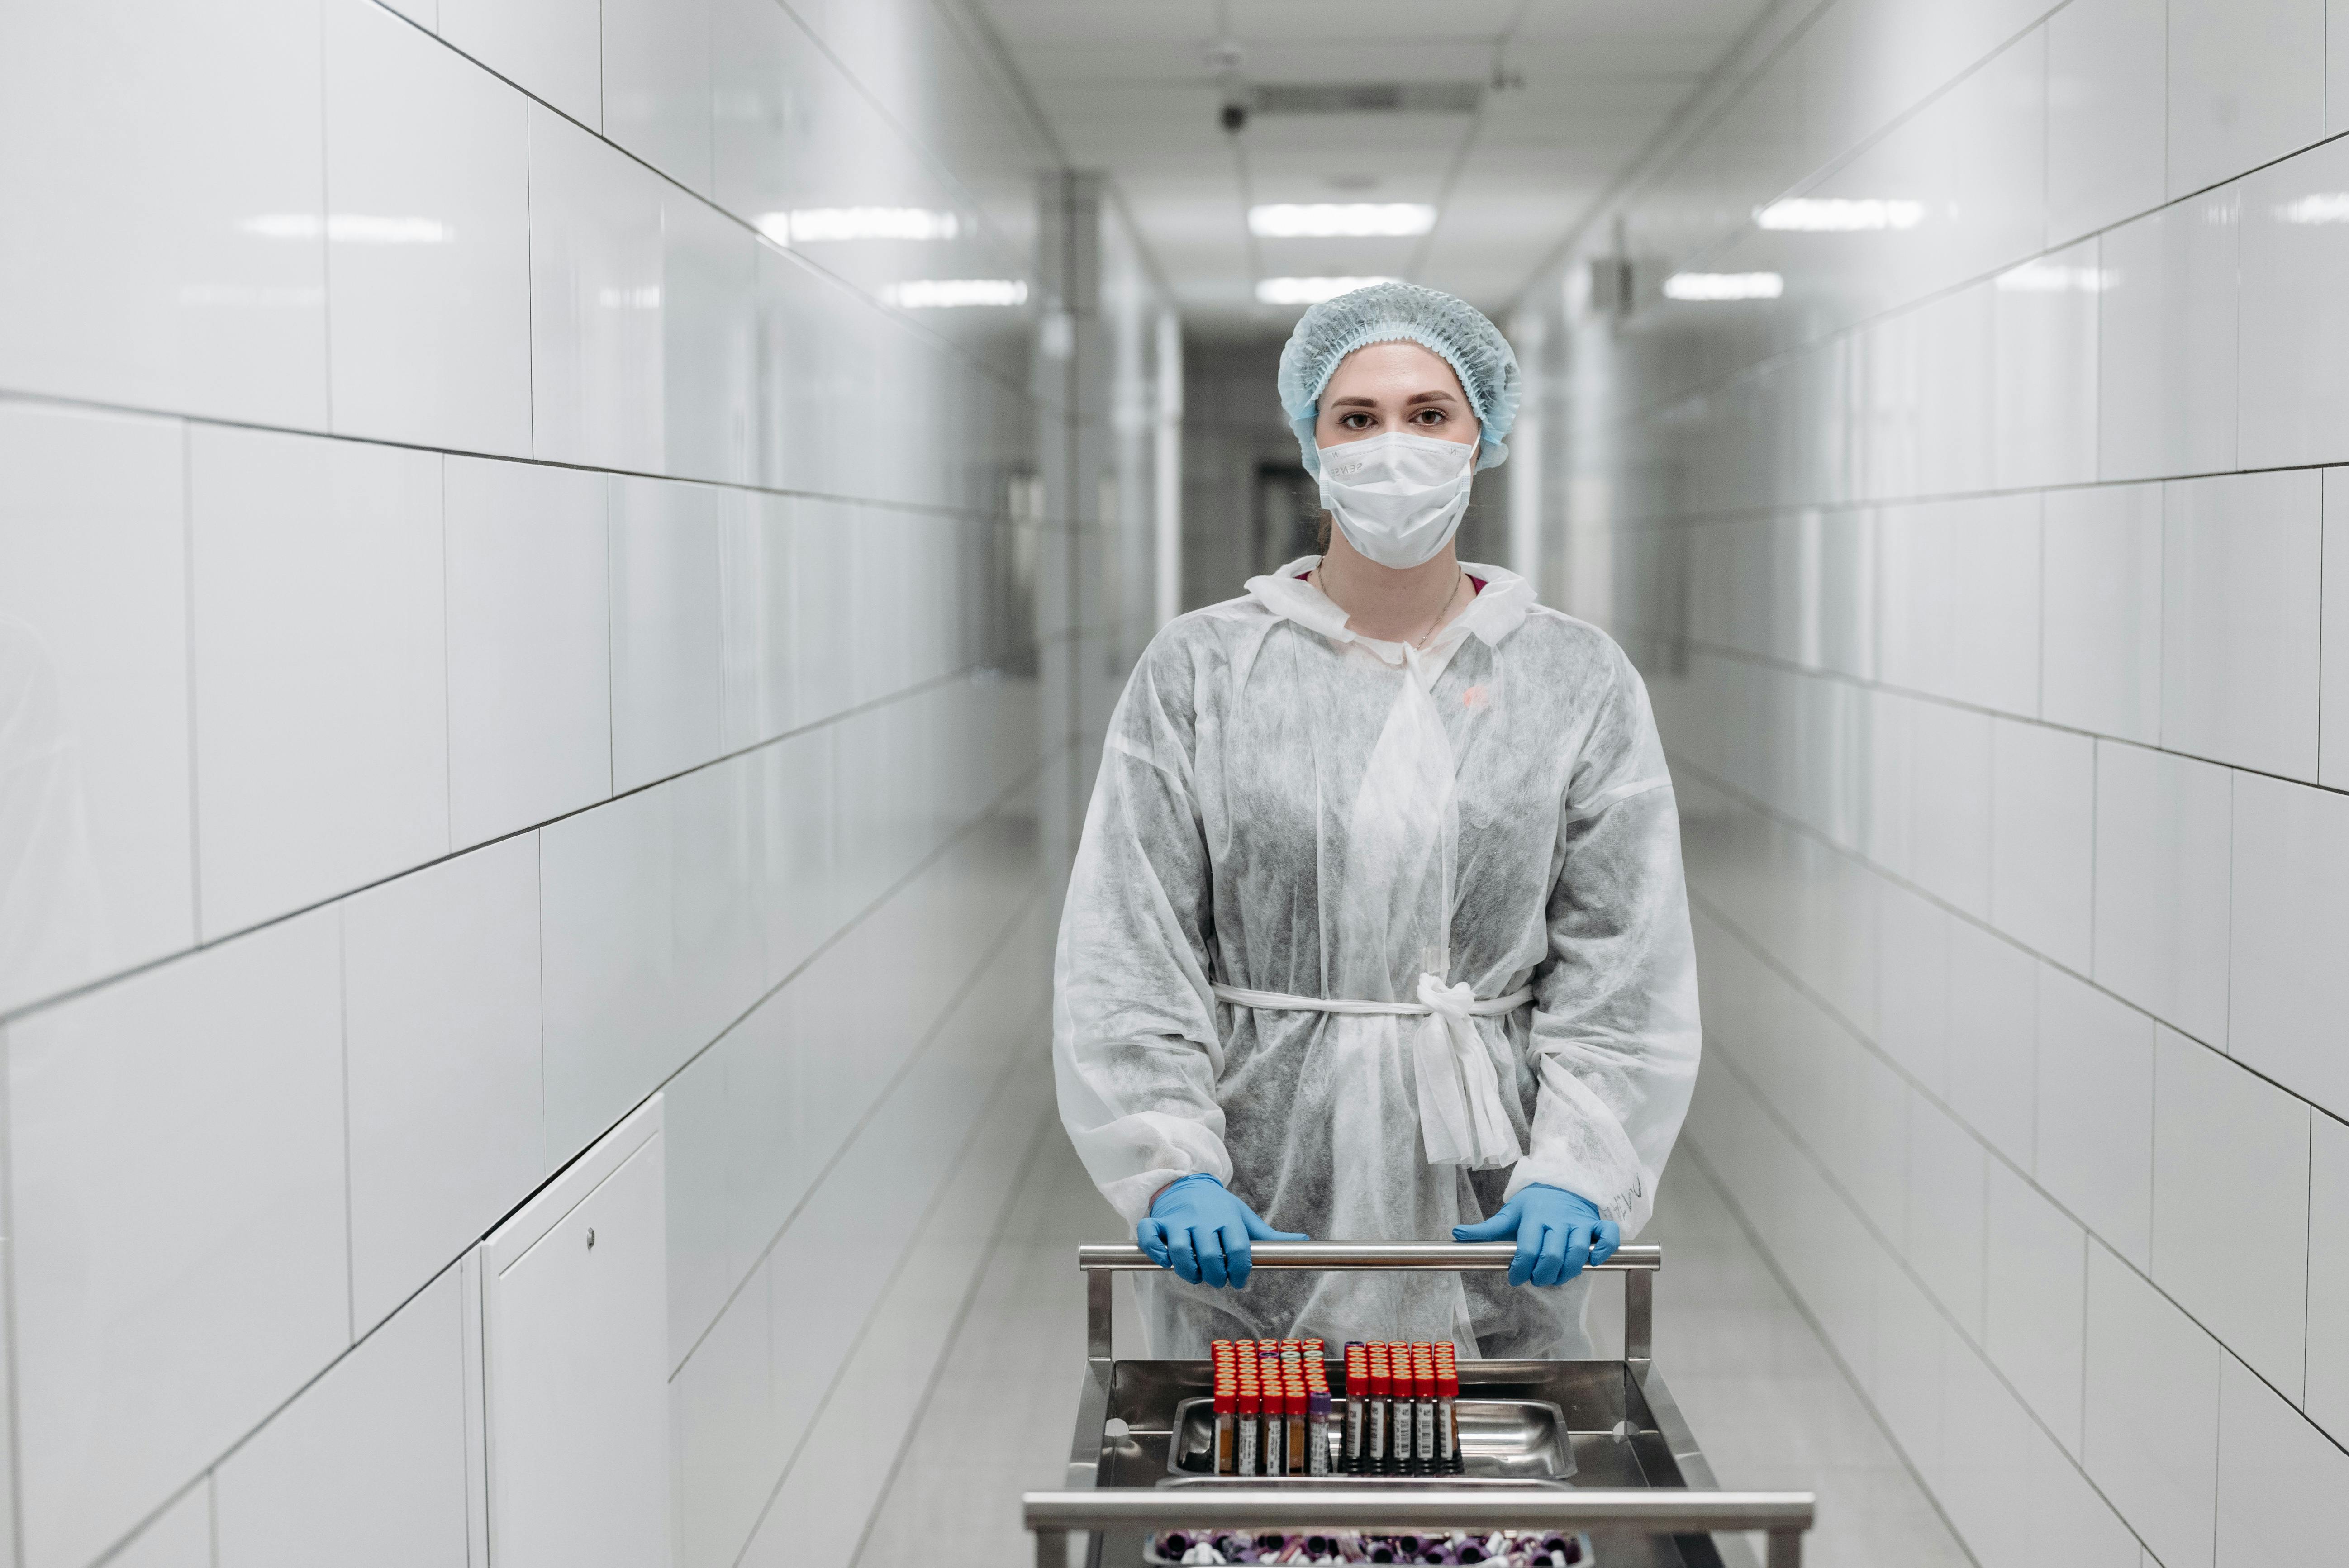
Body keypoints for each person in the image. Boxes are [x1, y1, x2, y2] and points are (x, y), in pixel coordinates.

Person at [1052, 281, 1699, 1359]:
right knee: (1253, 1489)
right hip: (1255, 1209)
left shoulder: (1573, 676)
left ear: (1480, 435)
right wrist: (1170, 1160)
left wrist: (1582, 1158)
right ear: (1312, 441)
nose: (1392, 444)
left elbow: (1623, 956)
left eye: (1427, 413)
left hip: (1490, 1206)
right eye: (1357, 417)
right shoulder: (1203, 667)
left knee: (1485, 1490)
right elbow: (1131, 942)